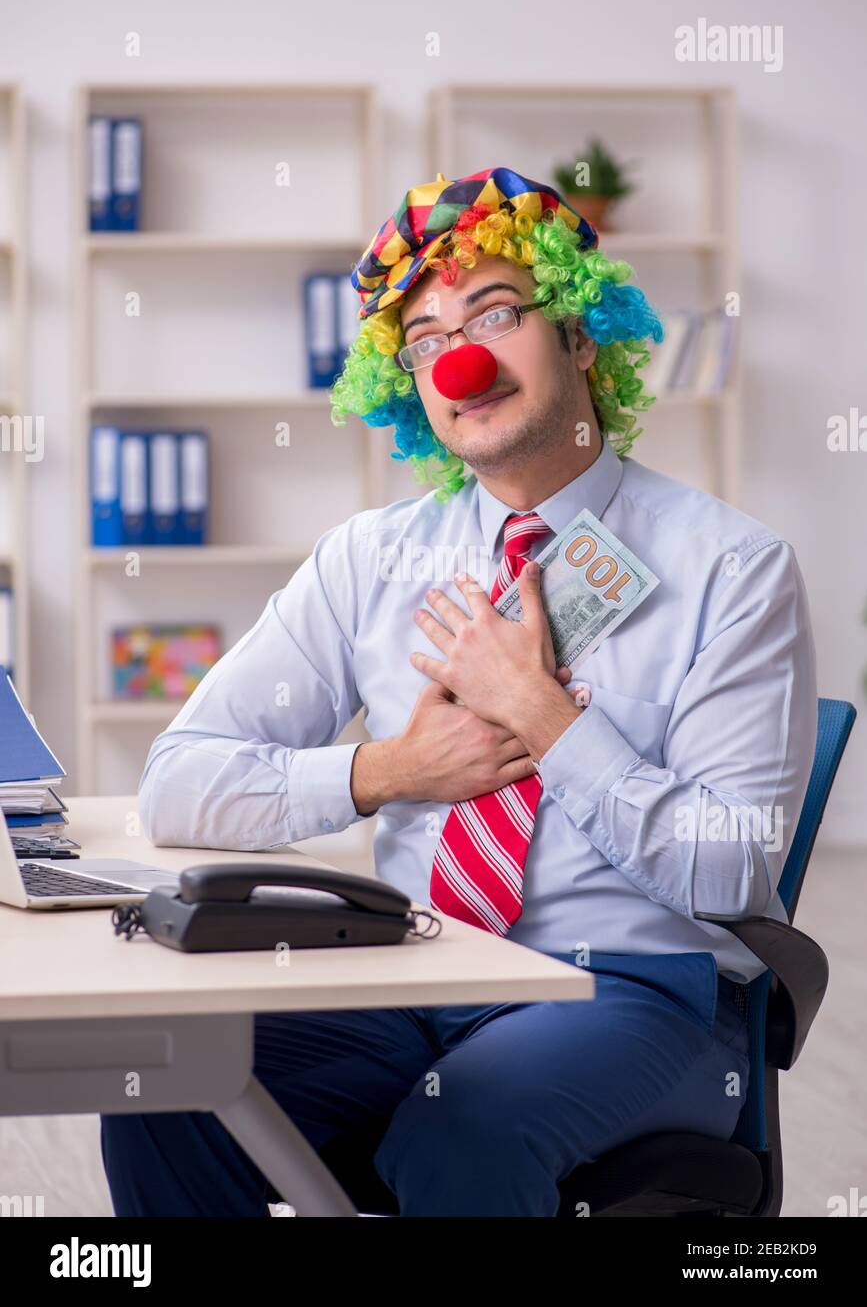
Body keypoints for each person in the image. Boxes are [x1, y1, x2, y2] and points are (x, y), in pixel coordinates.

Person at [100, 166, 817, 1217]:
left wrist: (543, 716)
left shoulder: (733, 567)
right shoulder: (369, 558)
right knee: (166, 1087)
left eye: (493, 313)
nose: (461, 357)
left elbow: (731, 864)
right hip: (418, 973)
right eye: (426, 338)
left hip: (633, 991)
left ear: (579, 335)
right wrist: (386, 770)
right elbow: (175, 784)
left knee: (461, 1133)